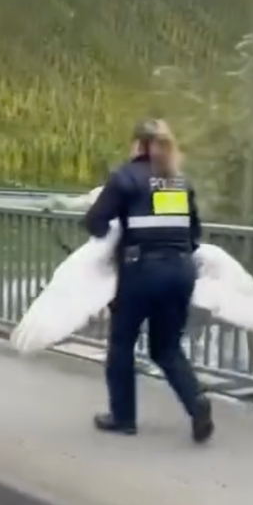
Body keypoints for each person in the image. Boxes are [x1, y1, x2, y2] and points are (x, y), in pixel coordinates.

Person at [83, 118, 214, 443]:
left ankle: (123, 418)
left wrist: (110, 236)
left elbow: (95, 221)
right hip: (182, 271)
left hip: (141, 271)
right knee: (167, 347)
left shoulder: (126, 177)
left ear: (139, 145)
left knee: (122, 342)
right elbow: (193, 234)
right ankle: (197, 402)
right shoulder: (179, 182)